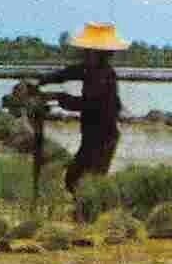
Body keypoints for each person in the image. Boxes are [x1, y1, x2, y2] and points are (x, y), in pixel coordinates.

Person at [33, 22, 126, 192]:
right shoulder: (87, 69)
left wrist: (57, 97)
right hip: (91, 135)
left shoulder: (105, 76)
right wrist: (42, 80)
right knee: (74, 179)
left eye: (88, 51)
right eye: (85, 50)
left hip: (104, 137)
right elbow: (66, 74)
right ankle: (85, 212)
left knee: (87, 180)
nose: (84, 53)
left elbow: (88, 104)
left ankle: (94, 210)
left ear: (100, 53)